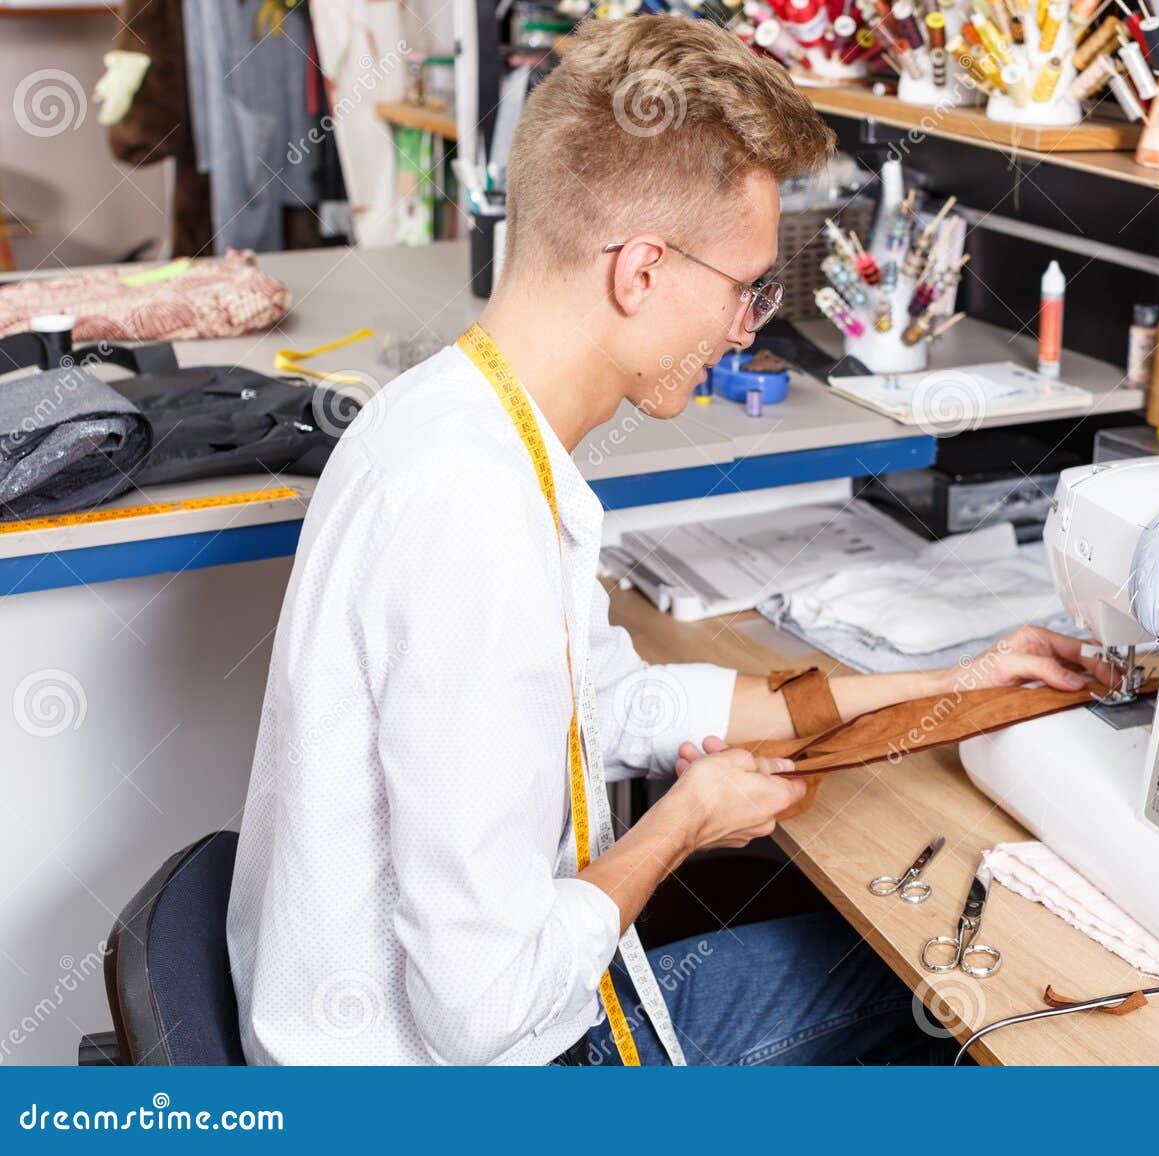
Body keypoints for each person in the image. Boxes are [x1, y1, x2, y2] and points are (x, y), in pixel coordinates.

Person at [227, 15, 1107, 1066]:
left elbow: (615, 702)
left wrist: (956, 682)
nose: (748, 328)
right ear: (640, 271)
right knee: (953, 995)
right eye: (746, 288)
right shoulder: (469, 513)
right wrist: (683, 823)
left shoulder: (455, 419)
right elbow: (483, 1010)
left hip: (412, 1029)